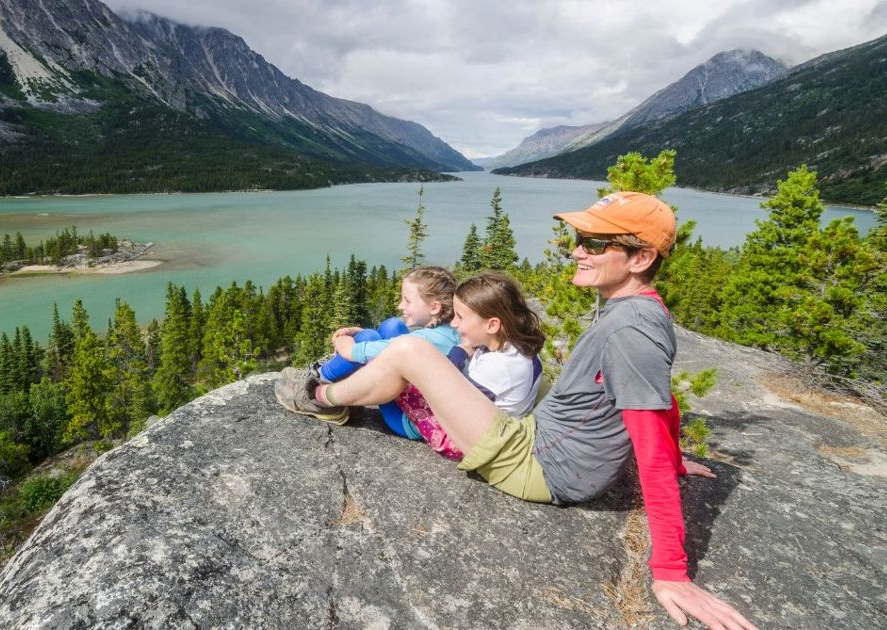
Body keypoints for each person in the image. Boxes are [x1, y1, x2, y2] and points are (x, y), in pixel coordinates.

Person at [275, 192, 756, 630]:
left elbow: (647, 433)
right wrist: (676, 456)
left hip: (541, 467)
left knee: (409, 354)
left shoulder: (632, 329)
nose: (577, 250)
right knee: (413, 356)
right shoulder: (637, 309)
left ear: (642, 257)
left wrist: (671, 571)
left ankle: (321, 399)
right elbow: (661, 397)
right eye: (578, 238)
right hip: (540, 444)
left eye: (595, 242)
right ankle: (333, 394)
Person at [282, 266, 460, 429]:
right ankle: (335, 386)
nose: (400, 305)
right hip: (419, 401)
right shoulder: (451, 330)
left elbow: (353, 352)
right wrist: (359, 333)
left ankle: (315, 386)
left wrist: (343, 340)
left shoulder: (427, 340)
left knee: (367, 339)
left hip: (409, 420)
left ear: (435, 307)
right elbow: (399, 340)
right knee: (392, 326)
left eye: (407, 301)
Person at [392, 271, 545, 460]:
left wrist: (458, 353)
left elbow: (447, 394)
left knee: (399, 377)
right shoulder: (516, 346)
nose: (454, 323)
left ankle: (405, 423)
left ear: (492, 325)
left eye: (460, 317)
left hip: (462, 440)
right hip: (487, 426)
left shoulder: (500, 367)